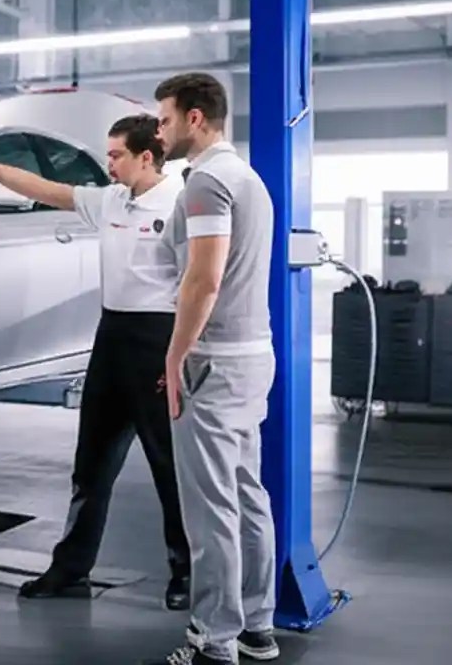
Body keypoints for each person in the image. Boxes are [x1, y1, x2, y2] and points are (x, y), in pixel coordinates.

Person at [0, 113, 192, 611]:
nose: (107, 163)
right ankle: (70, 569)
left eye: (115, 155)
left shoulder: (180, 203)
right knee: (90, 467)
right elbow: (44, 189)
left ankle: (186, 572)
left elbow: (198, 283)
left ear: (145, 157)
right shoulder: (110, 200)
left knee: (167, 466)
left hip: (157, 339)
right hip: (111, 339)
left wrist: (181, 354)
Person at [148, 72, 281, 665]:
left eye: (165, 120)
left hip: (214, 363)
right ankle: (257, 626)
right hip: (252, 357)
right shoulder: (247, 179)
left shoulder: (206, 182)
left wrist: (176, 354)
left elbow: (204, 278)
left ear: (195, 118)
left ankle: (213, 639)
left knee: (209, 507)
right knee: (247, 493)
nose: (159, 131)